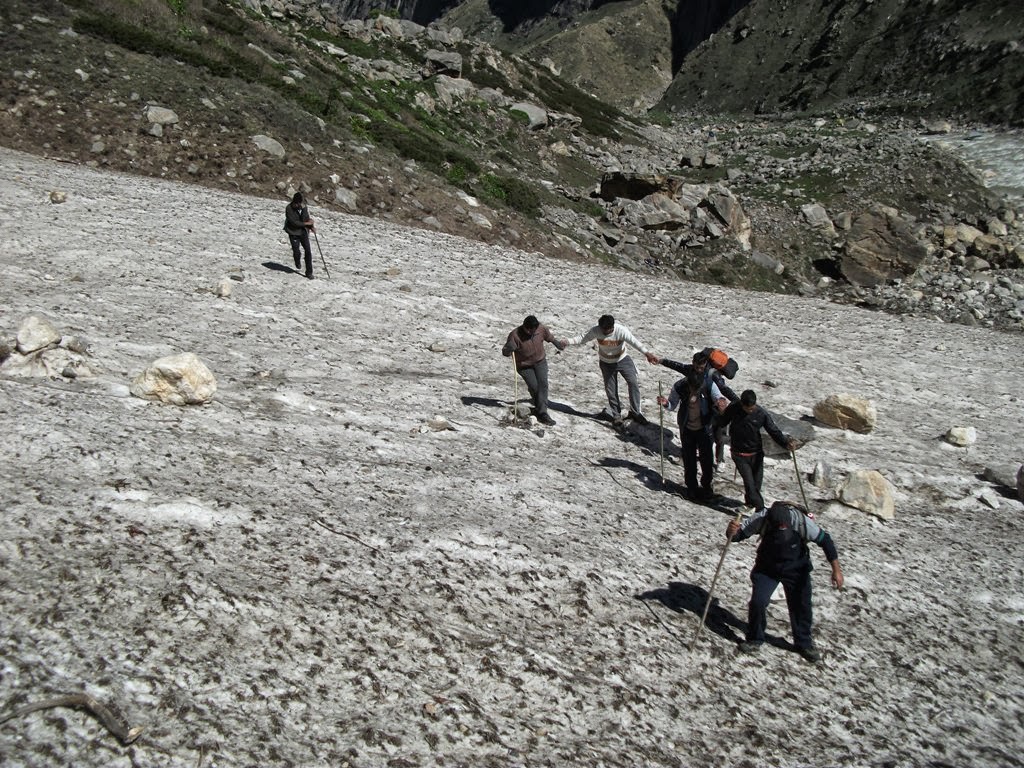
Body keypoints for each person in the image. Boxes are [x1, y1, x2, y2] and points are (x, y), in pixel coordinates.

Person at [726, 501, 844, 663]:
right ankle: (754, 638)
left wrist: (836, 570)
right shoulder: (762, 518)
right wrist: (731, 531)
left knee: (801, 605)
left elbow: (825, 541)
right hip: (767, 568)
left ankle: (804, 643)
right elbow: (737, 535)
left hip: (797, 568)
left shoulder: (802, 521)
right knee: (758, 602)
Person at [558, 314, 659, 426]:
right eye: (602, 329)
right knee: (611, 389)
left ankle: (636, 413)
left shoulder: (621, 331)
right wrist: (567, 341)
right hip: (606, 363)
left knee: (633, 383)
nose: (604, 332)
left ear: (612, 327)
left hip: (623, 359)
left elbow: (634, 342)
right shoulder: (596, 330)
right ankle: (616, 415)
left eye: (607, 330)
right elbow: (582, 337)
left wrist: (647, 353)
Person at [717, 389, 797, 512]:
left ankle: (750, 505)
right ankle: (762, 512)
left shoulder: (761, 414)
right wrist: (719, 412)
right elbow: (722, 422)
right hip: (739, 454)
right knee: (750, 486)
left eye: (752, 408)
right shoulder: (734, 408)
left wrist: (785, 443)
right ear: (742, 404)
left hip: (757, 454)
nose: (751, 411)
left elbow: (773, 430)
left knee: (756, 486)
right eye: (748, 409)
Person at [657, 367, 727, 498]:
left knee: (706, 460)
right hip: (687, 429)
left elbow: (719, 397)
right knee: (689, 460)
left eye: (697, 388)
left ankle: (706, 486)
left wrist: (721, 402)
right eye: (693, 388)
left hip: (704, 429)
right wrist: (665, 403)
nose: (695, 391)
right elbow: (672, 405)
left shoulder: (709, 385)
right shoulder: (679, 386)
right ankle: (692, 487)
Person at [661, 351, 739, 465]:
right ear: (693, 364)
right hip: (693, 416)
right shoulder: (685, 380)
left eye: (701, 368)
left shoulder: (712, 376)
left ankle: (719, 460)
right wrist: (662, 361)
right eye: (697, 367)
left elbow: (723, 391)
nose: (699, 370)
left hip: (712, 413)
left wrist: (735, 402)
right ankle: (689, 458)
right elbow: (678, 366)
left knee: (718, 437)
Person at [502, 315, 564, 426]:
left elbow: (549, 337)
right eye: (529, 330)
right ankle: (539, 405)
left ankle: (542, 413)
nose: (532, 332)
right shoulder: (515, 335)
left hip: (540, 361)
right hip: (524, 365)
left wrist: (557, 344)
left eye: (534, 330)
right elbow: (505, 352)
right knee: (535, 387)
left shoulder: (540, 328)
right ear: (524, 327)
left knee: (543, 385)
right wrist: (508, 348)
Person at [284, 192, 315, 279]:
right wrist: (307, 223)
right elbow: (294, 223)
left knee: (308, 251)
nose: (298, 205)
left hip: (303, 232)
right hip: (293, 232)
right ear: (294, 202)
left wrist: (311, 226)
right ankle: (297, 261)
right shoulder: (288, 209)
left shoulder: (303, 207)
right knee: (296, 251)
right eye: (296, 203)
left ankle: (309, 272)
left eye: (299, 203)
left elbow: (306, 217)